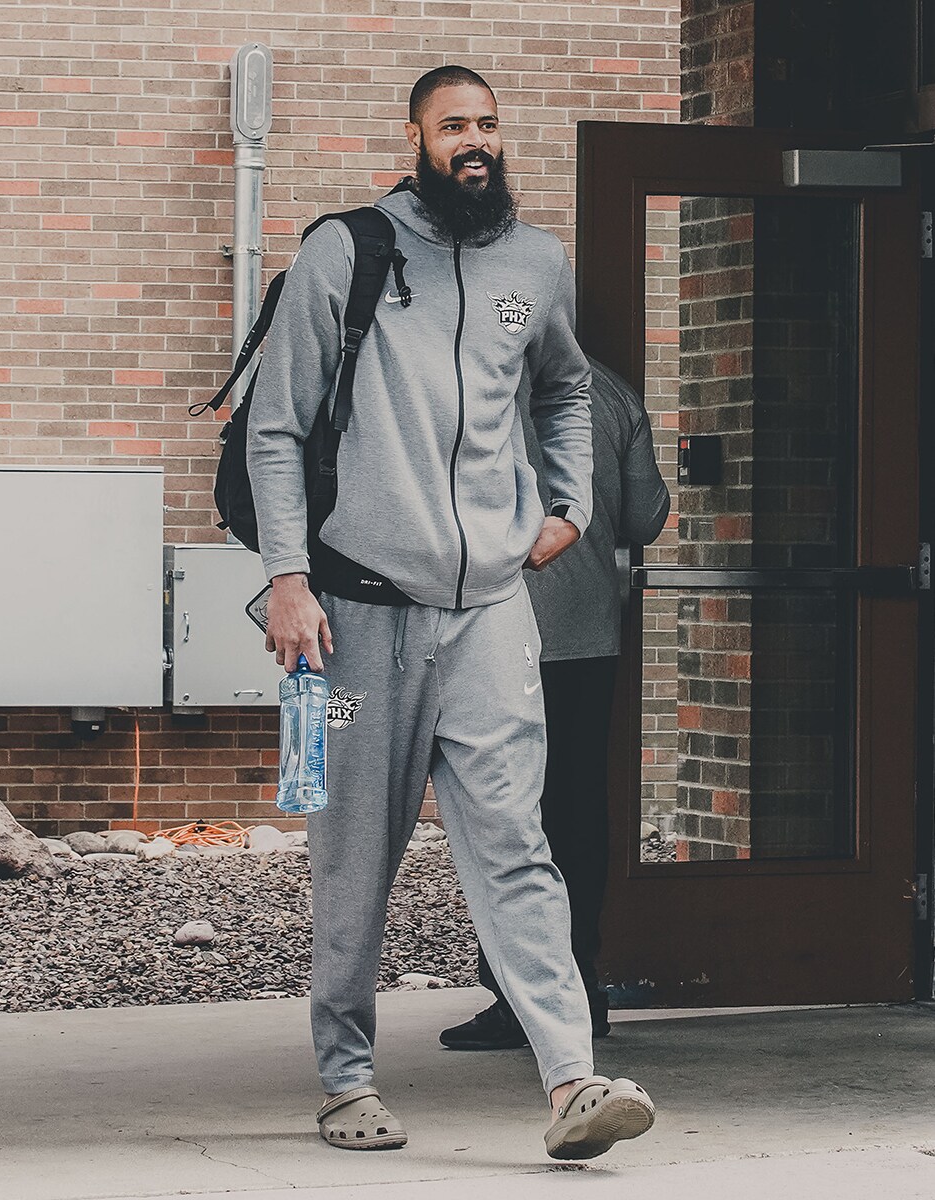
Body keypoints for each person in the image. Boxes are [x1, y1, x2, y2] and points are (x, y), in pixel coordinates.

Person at [247, 65, 656, 1160]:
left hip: (490, 612)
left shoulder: (535, 260)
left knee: (519, 846)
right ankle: (345, 1082)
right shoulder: (347, 252)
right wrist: (288, 577)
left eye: (486, 126)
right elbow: (275, 428)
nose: (474, 142)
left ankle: (571, 1078)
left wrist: (568, 504)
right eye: (453, 127)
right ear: (417, 136)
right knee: (354, 858)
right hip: (354, 616)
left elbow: (566, 387)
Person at [440, 357, 671, 1053]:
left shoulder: (473, 372)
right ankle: (579, 987)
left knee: (502, 816)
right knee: (575, 813)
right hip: (586, 637)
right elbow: (645, 517)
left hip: (488, 632)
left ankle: (519, 998)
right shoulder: (615, 393)